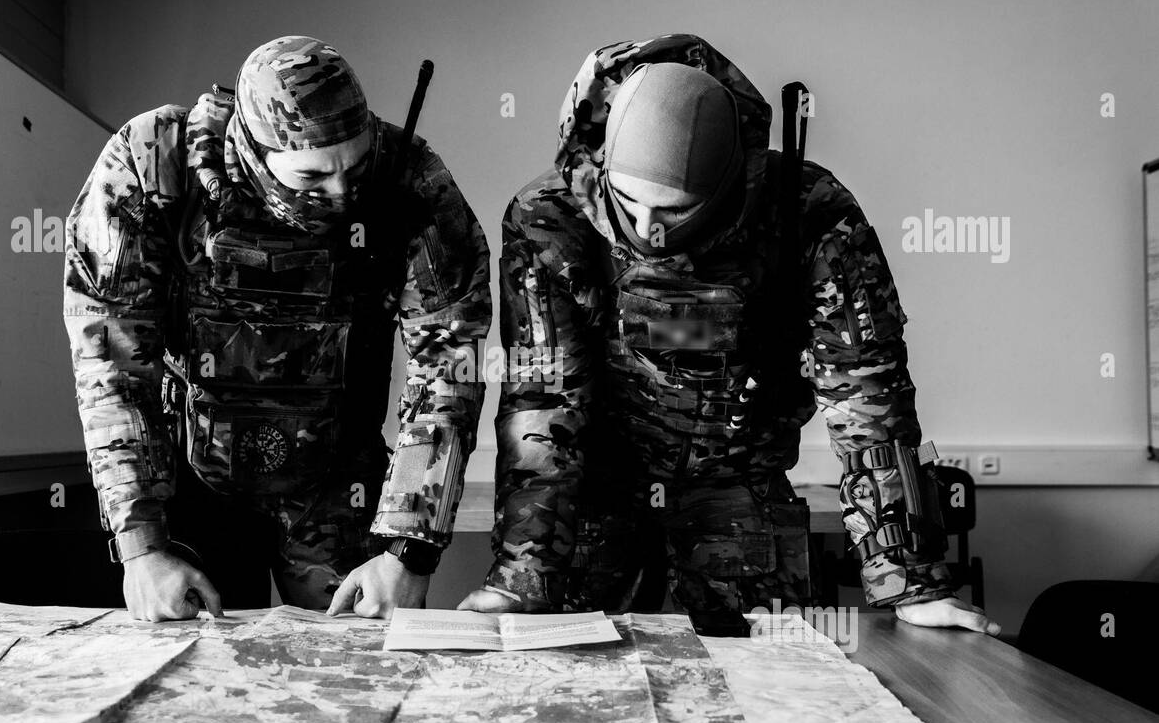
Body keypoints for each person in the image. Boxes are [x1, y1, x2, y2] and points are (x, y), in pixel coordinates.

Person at [459, 33, 1000, 636]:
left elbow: (867, 394)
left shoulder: (808, 211)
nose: (648, 229)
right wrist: (519, 575)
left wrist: (911, 578)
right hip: (591, 510)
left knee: (772, 708)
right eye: (631, 203)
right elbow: (545, 399)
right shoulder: (549, 218)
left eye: (674, 211)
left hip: (742, 507)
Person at [63, 36, 490, 622]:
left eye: (355, 166)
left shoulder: (408, 176)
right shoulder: (155, 163)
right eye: (314, 177)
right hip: (192, 482)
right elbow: (112, 362)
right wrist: (141, 545)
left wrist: (408, 551)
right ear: (255, 152)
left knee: (355, 675)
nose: (342, 193)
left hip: (341, 486)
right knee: (199, 683)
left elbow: (446, 367)